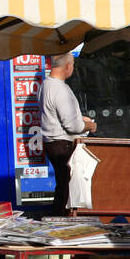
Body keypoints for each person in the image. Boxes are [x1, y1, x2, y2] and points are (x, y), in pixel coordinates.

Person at [40, 52, 96, 215]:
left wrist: (79, 118)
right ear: (67, 66)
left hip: (52, 143)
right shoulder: (60, 89)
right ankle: (62, 220)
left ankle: (60, 218)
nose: (73, 67)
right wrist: (89, 125)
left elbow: (57, 115)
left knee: (63, 185)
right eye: (72, 64)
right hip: (62, 144)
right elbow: (73, 126)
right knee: (67, 188)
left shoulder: (47, 84)